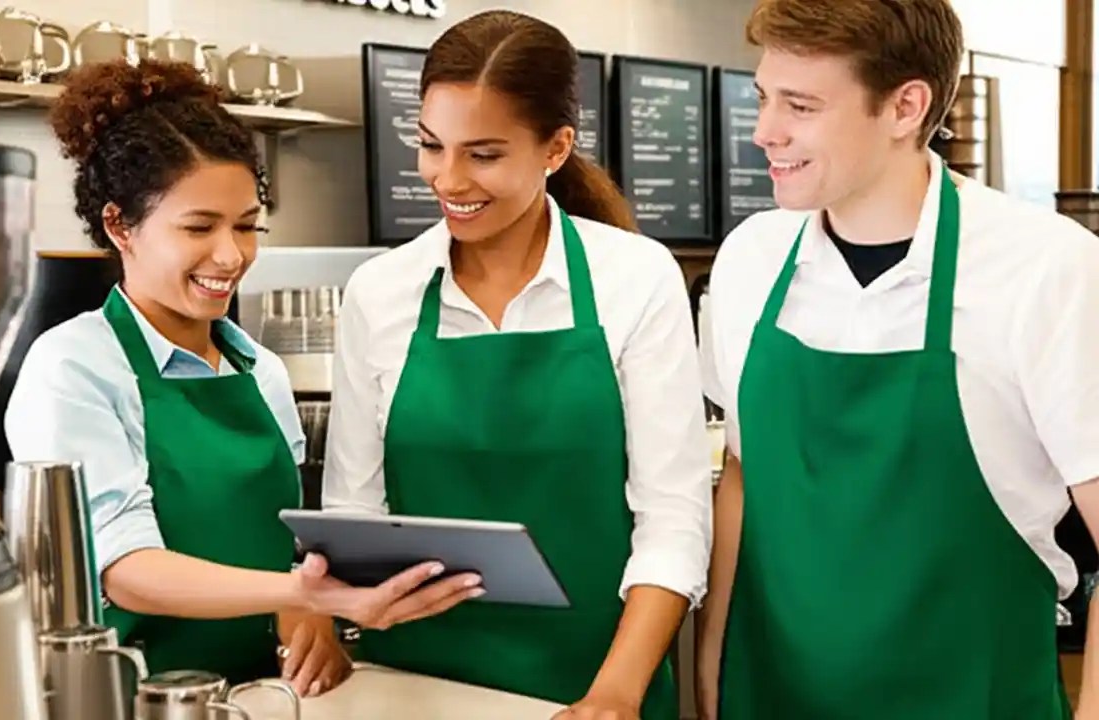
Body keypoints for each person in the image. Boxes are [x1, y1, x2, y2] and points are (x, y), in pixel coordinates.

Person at [3, 59, 481, 694]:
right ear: (120, 225)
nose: (231, 256)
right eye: (198, 227)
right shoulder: (74, 367)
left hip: (258, 695)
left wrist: (305, 616)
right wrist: (311, 595)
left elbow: (272, 545)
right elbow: (123, 568)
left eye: (247, 226)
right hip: (134, 697)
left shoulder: (263, 372)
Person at [696, 0, 1099, 717]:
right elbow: (742, 478)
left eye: (802, 105)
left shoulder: (1045, 267)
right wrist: (710, 669)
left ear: (906, 106)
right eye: (763, 97)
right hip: (772, 695)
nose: (764, 131)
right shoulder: (750, 260)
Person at [322, 9, 713, 720]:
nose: (447, 178)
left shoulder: (636, 278)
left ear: (556, 147)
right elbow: (354, 510)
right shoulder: (380, 293)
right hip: (415, 686)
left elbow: (674, 518)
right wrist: (316, 612)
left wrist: (615, 695)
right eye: (431, 145)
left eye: (484, 153)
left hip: (594, 679)